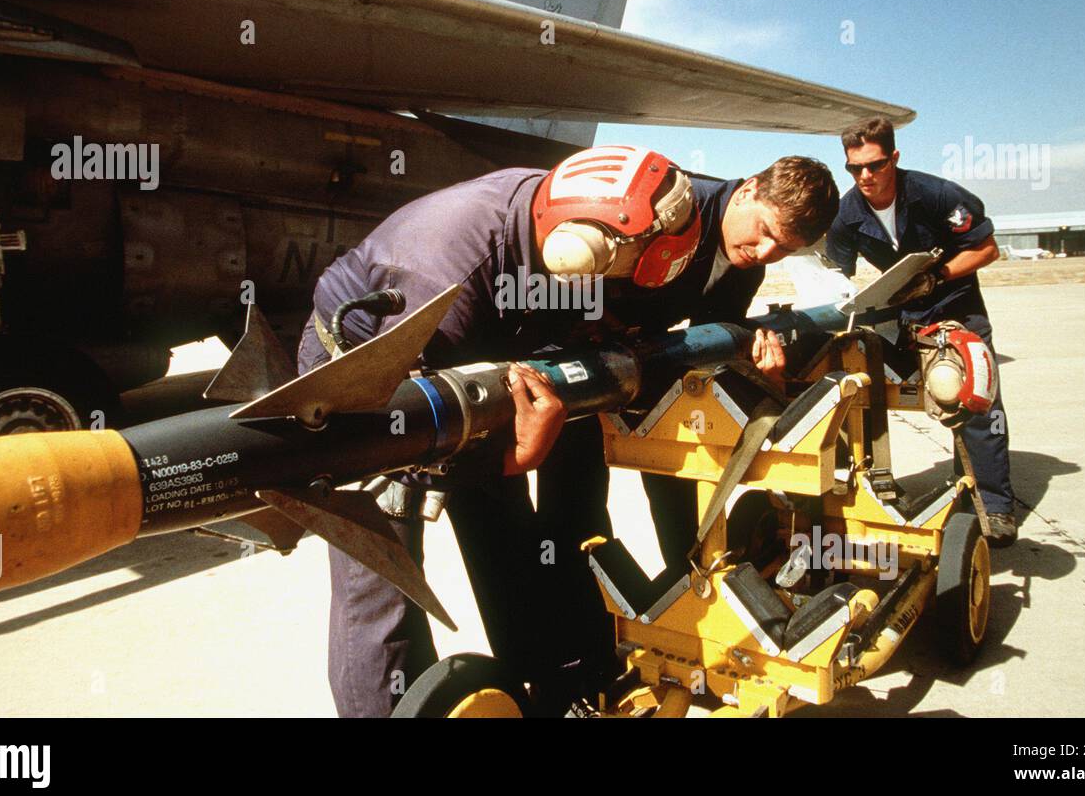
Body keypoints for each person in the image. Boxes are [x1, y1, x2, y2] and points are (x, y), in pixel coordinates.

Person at [298, 146, 838, 716]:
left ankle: (549, 686)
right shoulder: (442, 275)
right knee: (382, 561)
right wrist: (513, 457)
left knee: (507, 533)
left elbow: (589, 318)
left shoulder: (606, 216)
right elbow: (411, 434)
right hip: (370, 376)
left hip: (489, 353)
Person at [824, 117, 1018, 547]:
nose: (866, 177)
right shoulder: (846, 212)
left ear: (894, 157)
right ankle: (873, 480)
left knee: (975, 402)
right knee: (854, 386)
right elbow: (836, 273)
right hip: (901, 316)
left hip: (956, 309)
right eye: (855, 169)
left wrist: (936, 277)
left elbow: (986, 248)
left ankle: (995, 504)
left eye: (874, 165)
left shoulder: (936, 195)